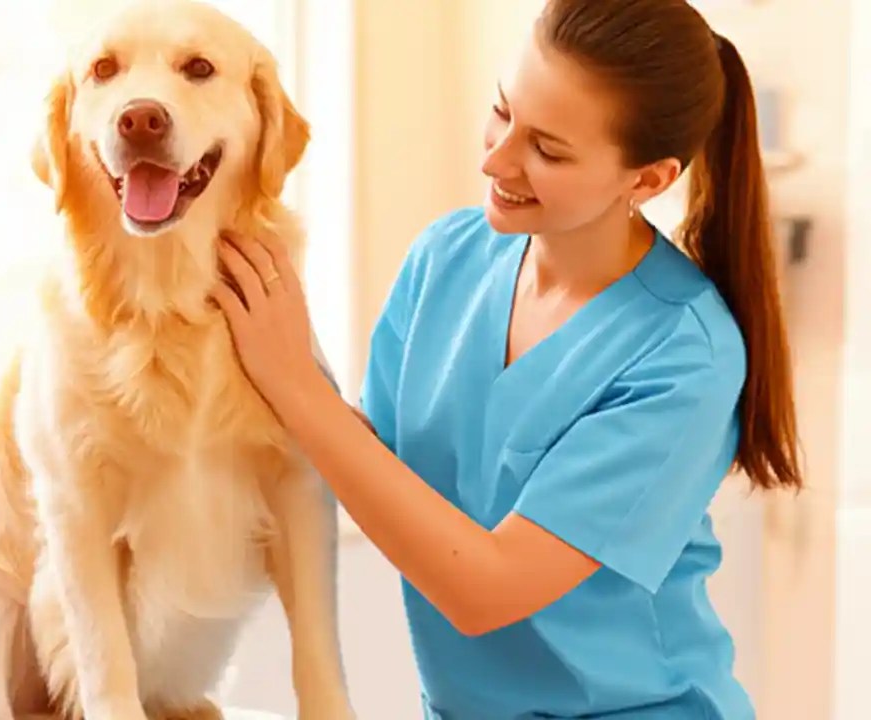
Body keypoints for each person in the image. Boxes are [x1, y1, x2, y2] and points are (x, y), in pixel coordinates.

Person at [209, 0, 802, 717]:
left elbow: (483, 591)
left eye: (547, 149)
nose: (496, 158)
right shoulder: (447, 257)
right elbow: (375, 468)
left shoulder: (682, 355)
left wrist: (295, 385)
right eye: (501, 110)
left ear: (646, 180)